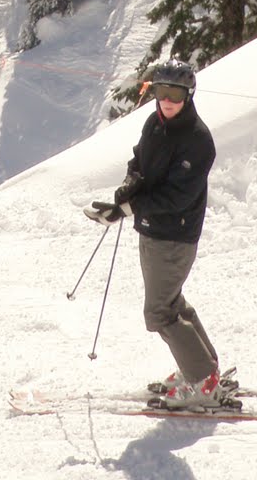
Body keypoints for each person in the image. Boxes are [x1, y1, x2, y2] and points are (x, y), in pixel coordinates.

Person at [85, 58, 226, 405]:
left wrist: (130, 207)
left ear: (189, 94)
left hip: (174, 236)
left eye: (176, 92)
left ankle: (203, 381)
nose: (168, 99)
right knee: (171, 303)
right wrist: (128, 187)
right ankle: (204, 368)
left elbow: (178, 197)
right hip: (153, 230)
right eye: (162, 90)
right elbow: (140, 161)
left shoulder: (197, 141)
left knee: (159, 313)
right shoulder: (154, 123)